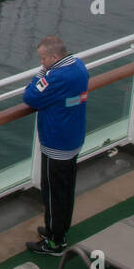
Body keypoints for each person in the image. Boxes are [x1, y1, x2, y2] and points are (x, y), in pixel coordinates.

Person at [23, 35, 89, 255]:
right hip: (73, 139)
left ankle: (55, 241)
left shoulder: (57, 76)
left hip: (56, 143)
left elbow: (31, 97)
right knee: (66, 189)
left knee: (53, 193)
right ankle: (58, 228)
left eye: (43, 59)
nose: (41, 63)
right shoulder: (78, 66)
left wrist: (42, 74)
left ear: (53, 56)